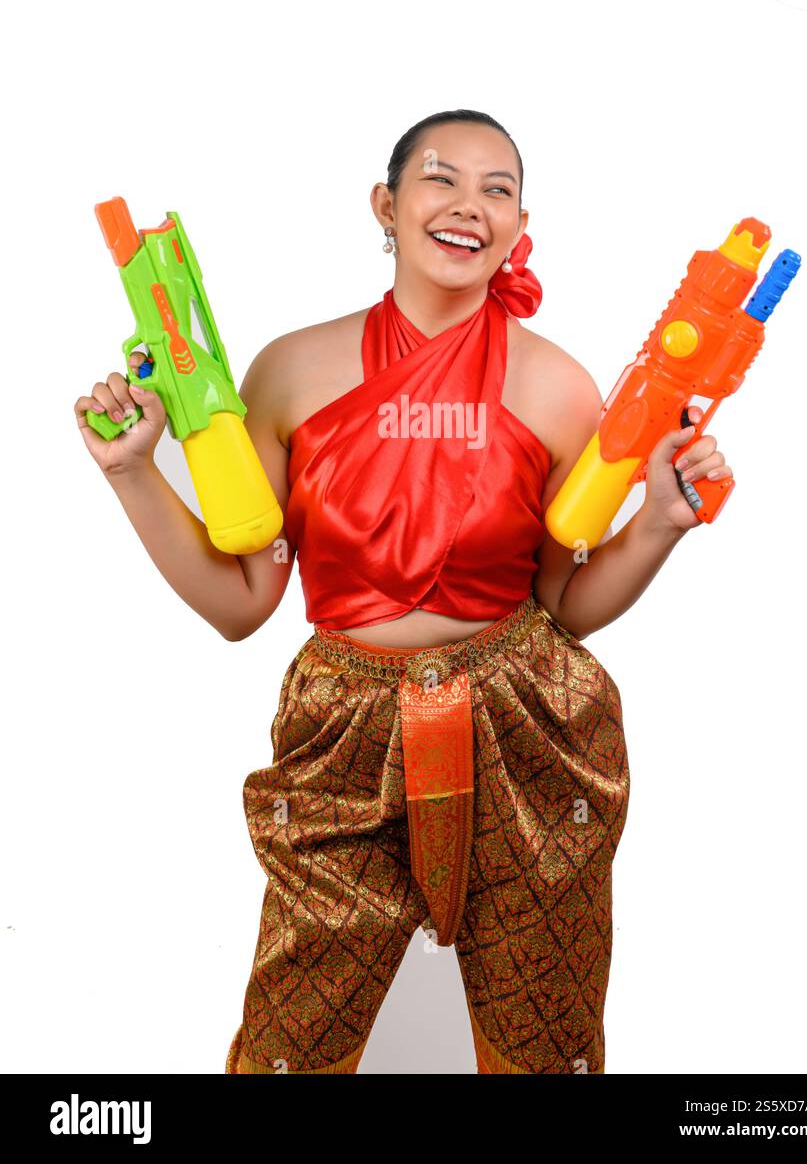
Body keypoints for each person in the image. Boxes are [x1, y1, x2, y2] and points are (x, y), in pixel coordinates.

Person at [75, 108, 731, 1074]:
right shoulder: (292, 369)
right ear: (386, 205)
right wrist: (134, 471)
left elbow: (570, 605)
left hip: (531, 720)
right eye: (440, 178)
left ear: (519, 224)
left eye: (497, 189)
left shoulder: (556, 385)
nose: (469, 205)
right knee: (289, 1042)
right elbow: (240, 601)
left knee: (547, 1041)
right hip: (343, 723)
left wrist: (661, 523)